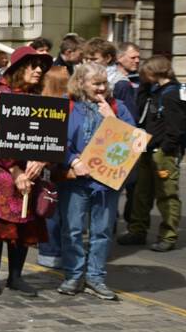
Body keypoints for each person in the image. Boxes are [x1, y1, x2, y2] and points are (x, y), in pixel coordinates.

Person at [0, 45, 54, 295]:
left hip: (29, 173)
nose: (39, 70)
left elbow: (47, 135)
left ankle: (16, 276)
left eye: (42, 67)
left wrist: (42, 159)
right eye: (33, 65)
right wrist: (16, 171)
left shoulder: (36, 99)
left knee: (24, 225)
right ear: (18, 68)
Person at [56, 62, 137, 300]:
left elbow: (134, 142)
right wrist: (72, 161)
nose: (102, 88)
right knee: (72, 230)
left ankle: (96, 277)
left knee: (101, 231)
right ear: (81, 83)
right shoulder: (68, 106)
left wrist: (112, 120)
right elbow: (54, 139)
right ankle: (73, 275)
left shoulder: (117, 107)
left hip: (106, 182)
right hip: (75, 180)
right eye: (96, 83)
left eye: (104, 83)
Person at [119, 55, 185, 252]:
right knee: (141, 193)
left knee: (167, 195)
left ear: (156, 71)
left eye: (146, 71)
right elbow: (141, 113)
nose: (143, 75)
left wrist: (166, 149)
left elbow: (176, 127)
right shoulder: (153, 91)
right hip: (145, 147)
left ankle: (168, 236)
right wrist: (144, 89)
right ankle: (137, 231)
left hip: (162, 152)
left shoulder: (173, 93)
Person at [34, 64, 72, 268]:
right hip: (63, 164)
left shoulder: (42, 103)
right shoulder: (67, 104)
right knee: (61, 211)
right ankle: (56, 252)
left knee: (48, 205)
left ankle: (48, 251)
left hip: (48, 163)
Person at [112, 42, 140, 117]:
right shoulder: (111, 79)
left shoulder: (142, 79)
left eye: (138, 57)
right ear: (119, 58)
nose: (137, 61)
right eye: (133, 58)